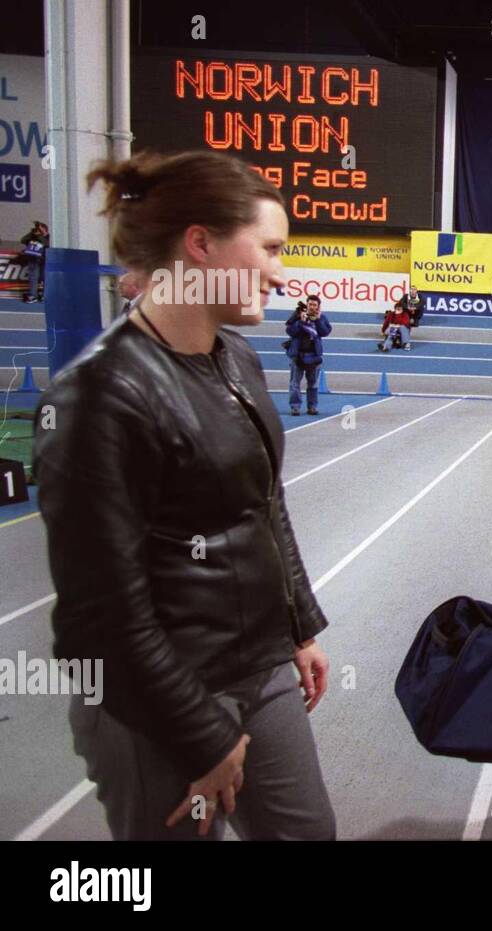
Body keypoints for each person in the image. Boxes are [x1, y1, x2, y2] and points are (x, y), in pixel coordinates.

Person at [33, 150, 335, 841]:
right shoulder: (101, 396)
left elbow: (263, 504)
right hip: (152, 702)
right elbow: (99, 620)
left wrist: (298, 625)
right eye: (269, 248)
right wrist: (201, 733)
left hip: (261, 669)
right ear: (200, 243)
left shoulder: (238, 357)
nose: (281, 271)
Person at [284, 293, 332, 415]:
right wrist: (300, 322)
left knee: (313, 384)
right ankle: (295, 407)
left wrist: (319, 320)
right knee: (295, 384)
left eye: (314, 305)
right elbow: (290, 331)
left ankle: (312, 407)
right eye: (310, 304)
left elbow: (325, 332)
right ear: (307, 304)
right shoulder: (298, 316)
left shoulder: (322, 318)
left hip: (314, 356)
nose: (311, 307)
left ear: (318, 306)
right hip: (298, 355)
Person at [19, 220, 49, 303]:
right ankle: (33, 295)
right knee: (33, 278)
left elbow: (46, 243)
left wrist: (41, 234)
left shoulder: (47, 237)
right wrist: (31, 233)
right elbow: (23, 240)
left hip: (44, 260)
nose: (37, 230)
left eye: (40, 229)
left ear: (45, 230)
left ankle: (45, 295)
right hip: (33, 259)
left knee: (45, 278)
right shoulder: (33, 236)